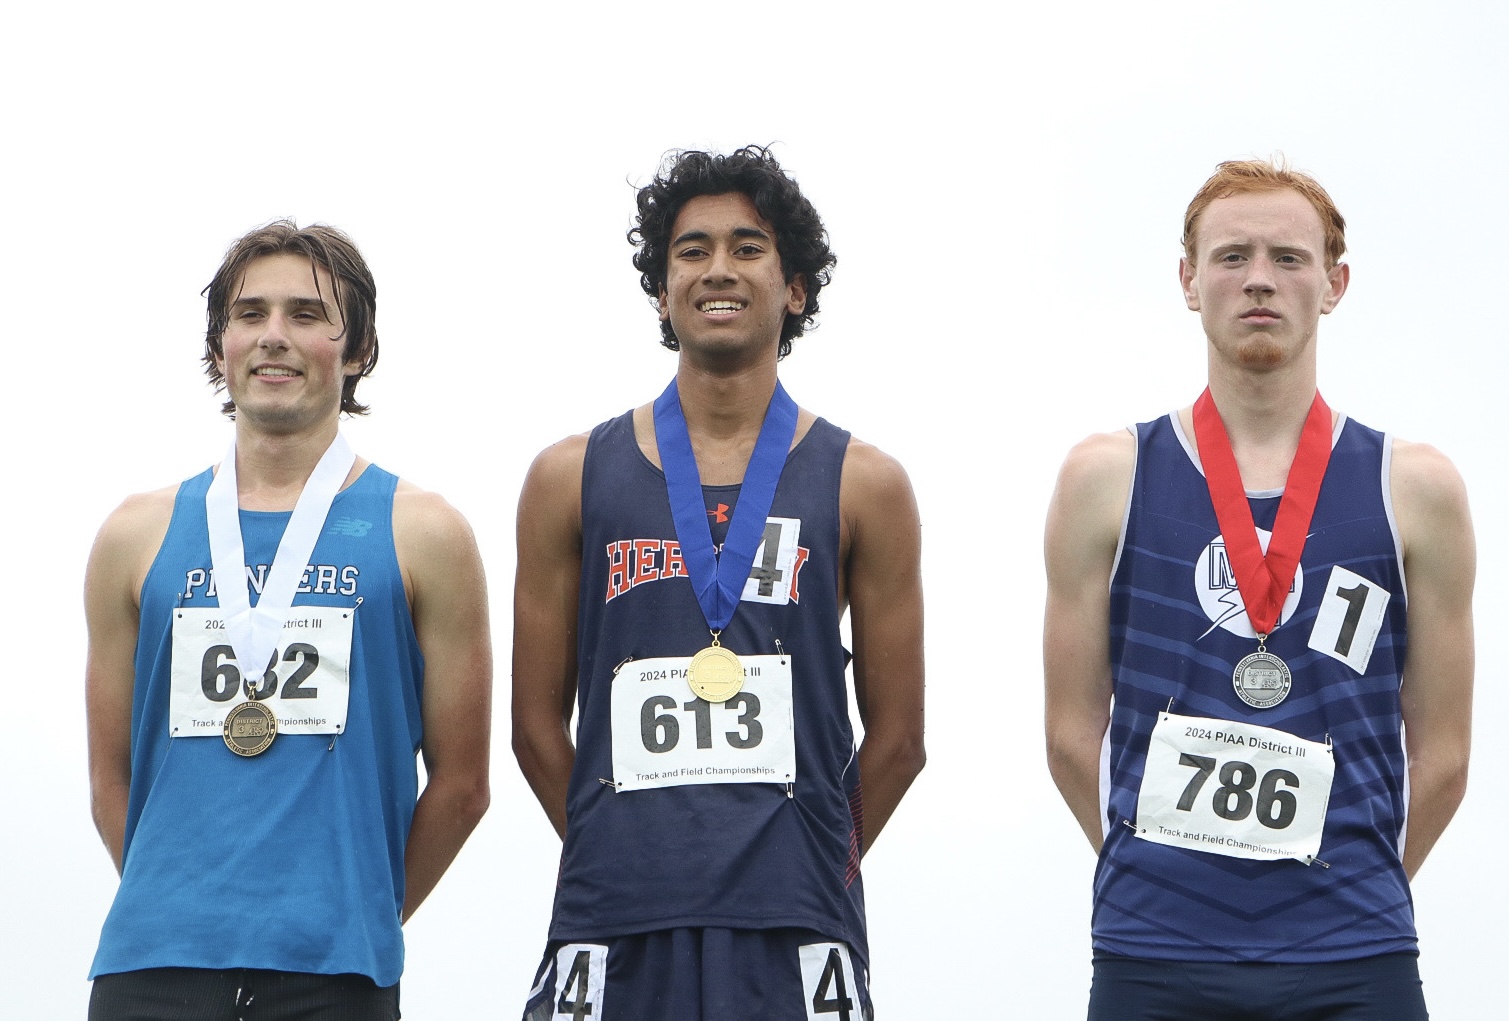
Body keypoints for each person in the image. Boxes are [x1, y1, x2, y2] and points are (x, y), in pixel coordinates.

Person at [1044, 159, 1475, 1020]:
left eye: (1287, 258)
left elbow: (1445, 753)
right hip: (1152, 947)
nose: (1258, 281)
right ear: (1187, 279)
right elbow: (1066, 730)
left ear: (1334, 283)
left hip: (1355, 953)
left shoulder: (1414, 487)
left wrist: (1349, 879)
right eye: (1231, 256)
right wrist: (1151, 863)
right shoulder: (1107, 476)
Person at [512, 146, 925, 1020]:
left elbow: (898, 739)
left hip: (796, 924)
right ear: (661, 292)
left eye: (747, 246)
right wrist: (616, 849)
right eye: (690, 251)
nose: (717, 269)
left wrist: (818, 858)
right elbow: (532, 726)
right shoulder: (569, 476)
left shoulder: (864, 482)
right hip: (612, 919)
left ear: (796, 287)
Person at [84, 221, 492, 1020]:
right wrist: (184, 906)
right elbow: (109, 776)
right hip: (151, 965)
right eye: (250, 313)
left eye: (307, 314)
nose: (274, 336)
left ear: (359, 348)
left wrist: (357, 911)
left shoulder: (425, 532)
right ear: (219, 347)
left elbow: (464, 782)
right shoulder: (134, 534)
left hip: (334, 972)